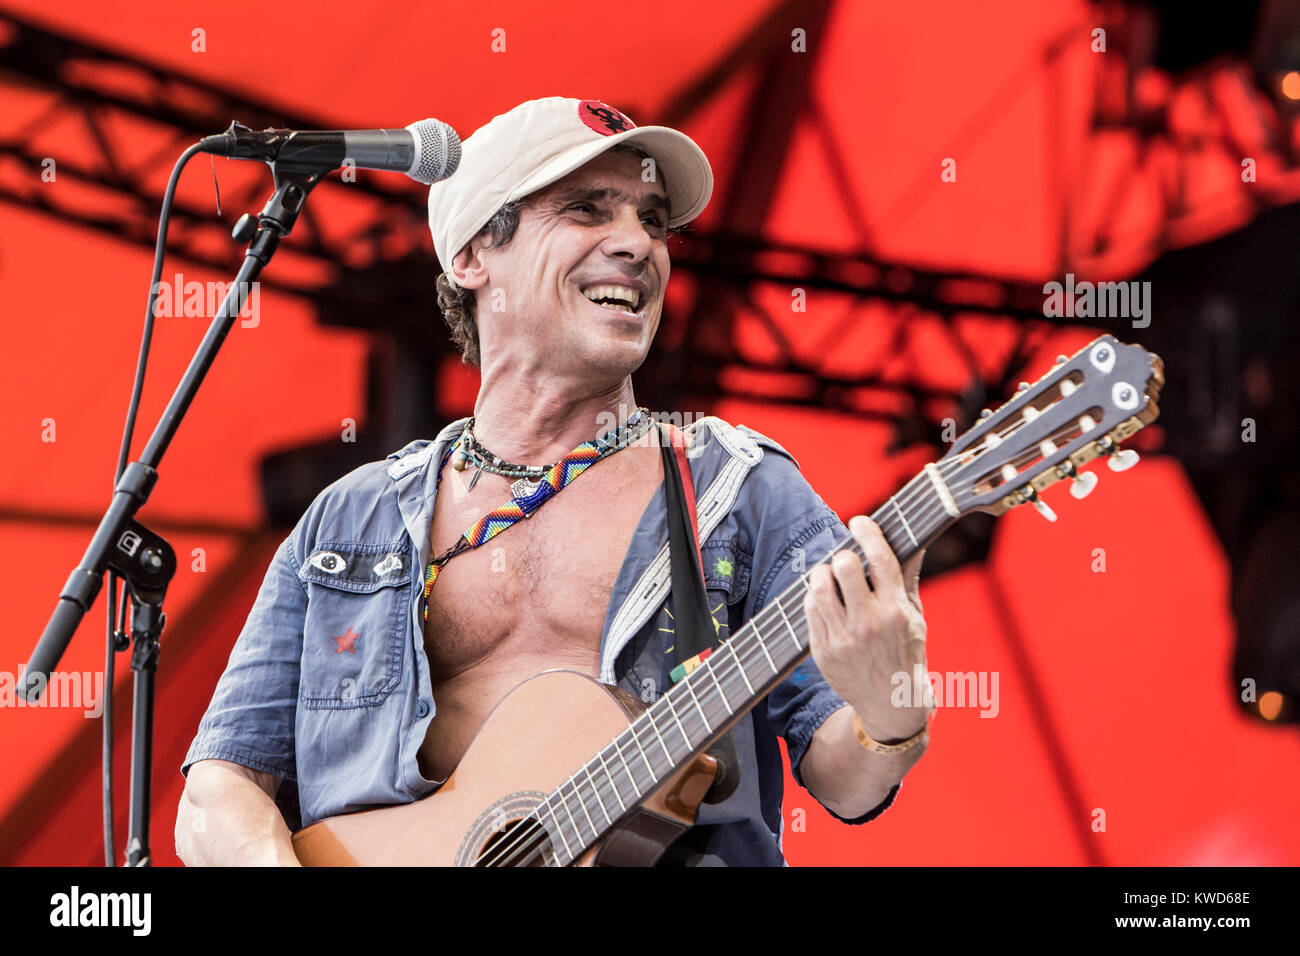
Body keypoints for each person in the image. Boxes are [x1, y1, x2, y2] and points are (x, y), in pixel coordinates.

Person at [175, 96, 931, 867]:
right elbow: (219, 788)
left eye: (652, 219)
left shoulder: (738, 488)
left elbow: (846, 781)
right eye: (587, 209)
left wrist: (889, 707)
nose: (638, 245)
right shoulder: (350, 519)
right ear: (472, 254)